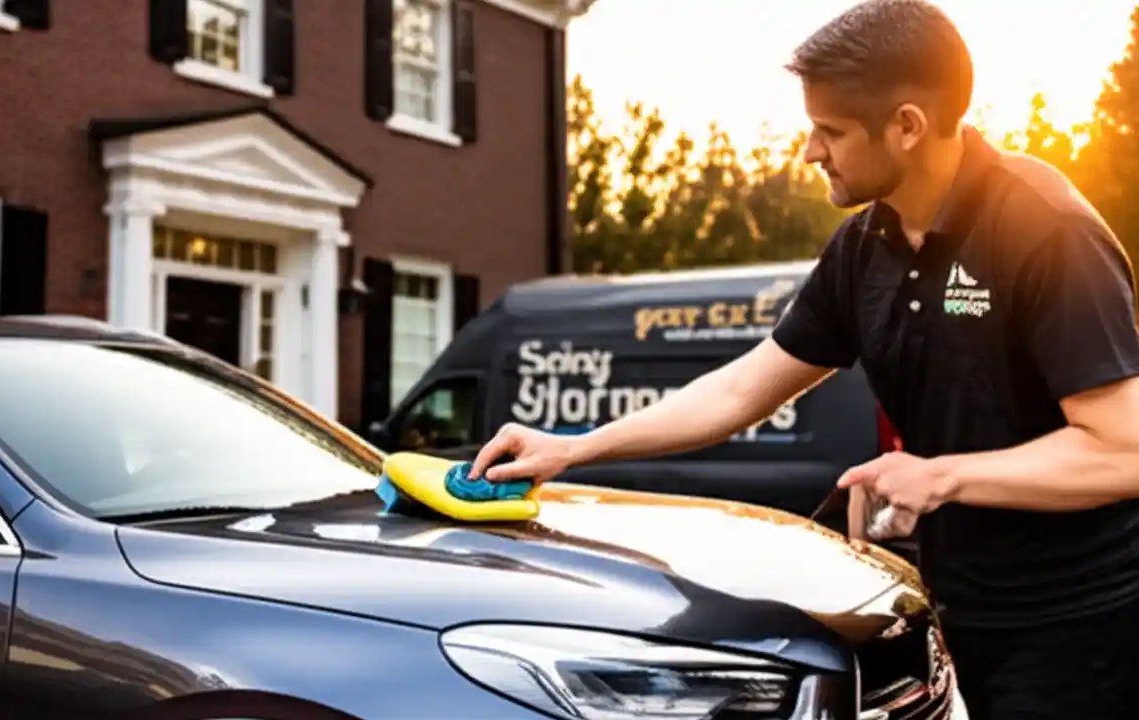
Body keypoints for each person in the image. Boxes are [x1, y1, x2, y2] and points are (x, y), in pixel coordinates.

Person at [468, 1, 1139, 717]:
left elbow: (1122, 450)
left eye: (831, 131)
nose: (811, 151)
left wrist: (939, 476)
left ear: (907, 126)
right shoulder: (865, 248)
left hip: (1085, 622)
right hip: (957, 612)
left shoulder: (1044, 228)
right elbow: (741, 391)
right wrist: (573, 447)